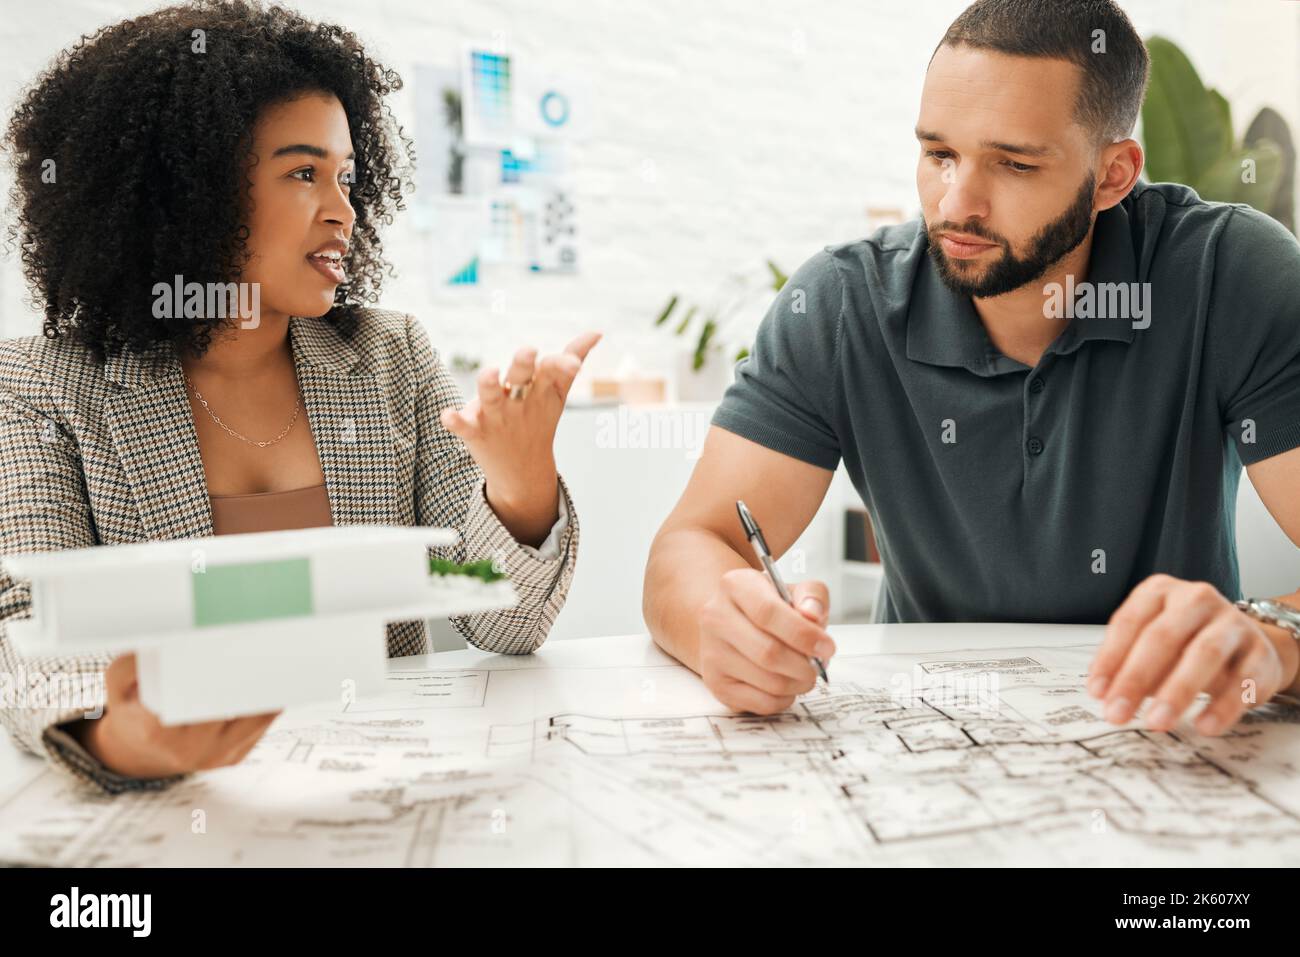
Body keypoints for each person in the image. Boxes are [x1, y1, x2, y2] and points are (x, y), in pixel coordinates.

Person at [644, 0, 1300, 736]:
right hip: (925, 748)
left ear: (1113, 174)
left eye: (1013, 163)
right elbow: (692, 542)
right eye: (938, 154)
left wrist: (1277, 639)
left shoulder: (1230, 275)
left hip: (1169, 748)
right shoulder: (838, 305)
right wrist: (721, 623)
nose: (956, 204)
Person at [0, 0, 598, 793]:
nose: (342, 209)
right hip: (183, 810)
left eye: (348, 178)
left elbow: (506, 622)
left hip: (373, 797)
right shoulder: (40, 384)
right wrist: (122, 738)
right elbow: (30, 623)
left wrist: (521, 488)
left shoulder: (391, 356)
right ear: (190, 190)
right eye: (302, 172)